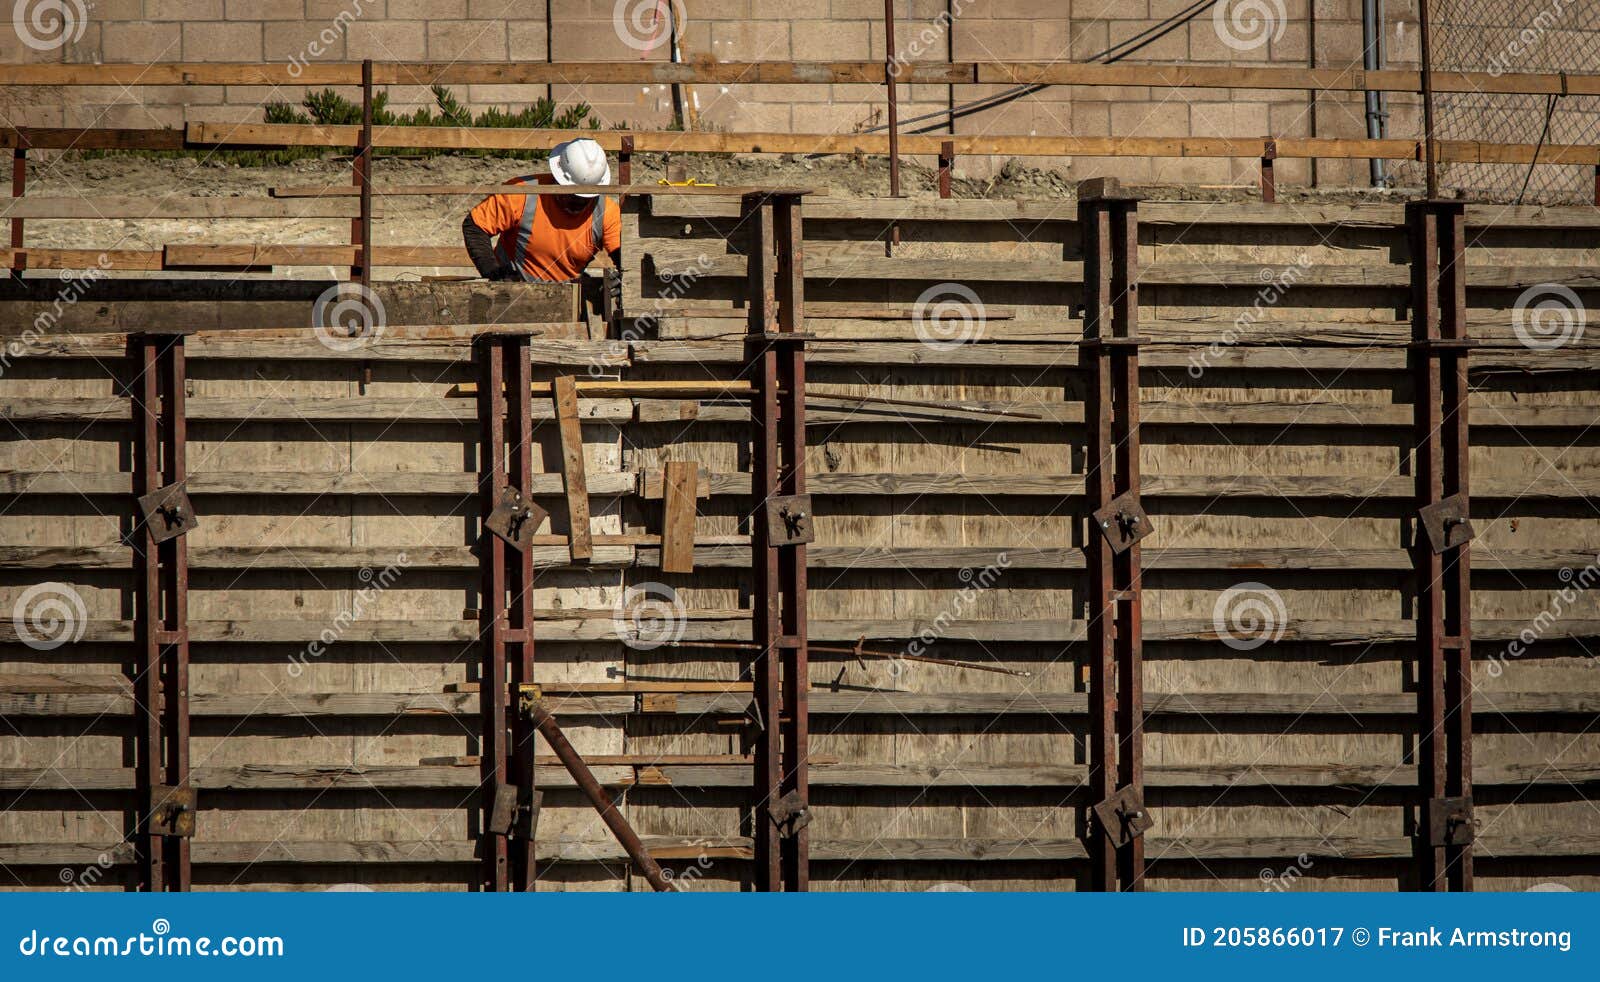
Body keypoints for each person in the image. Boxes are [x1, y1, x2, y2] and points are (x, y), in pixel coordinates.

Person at [461, 138, 622, 284]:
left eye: (584, 197)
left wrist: (623, 282)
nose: (577, 202)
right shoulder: (521, 194)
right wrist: (495, 274)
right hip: (514, 293)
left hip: (568, 295)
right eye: (572, 195)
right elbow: (475, 226)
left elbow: (625, 257)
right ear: (557, 179)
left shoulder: (607, 212)